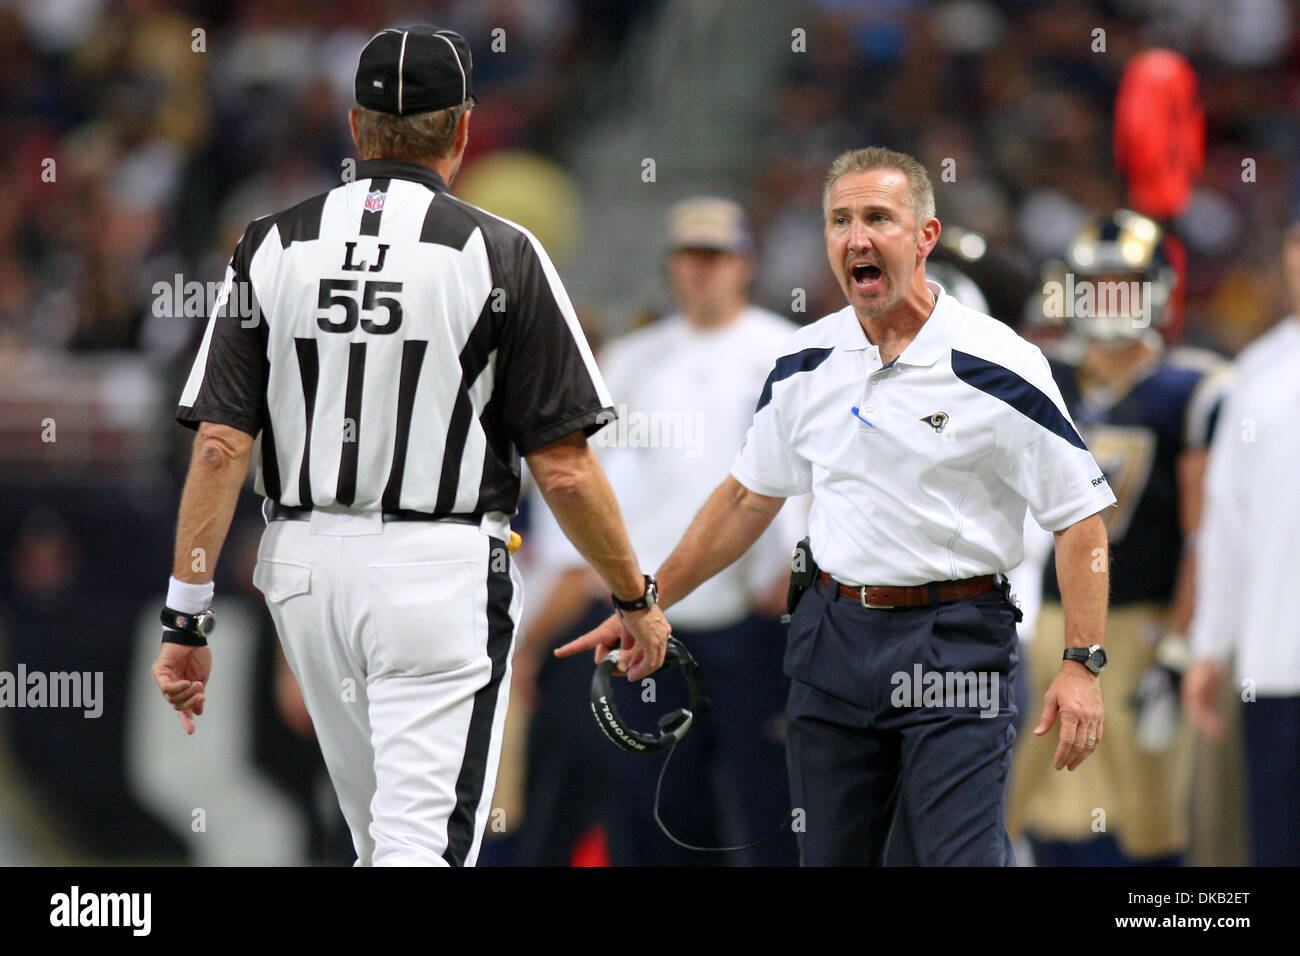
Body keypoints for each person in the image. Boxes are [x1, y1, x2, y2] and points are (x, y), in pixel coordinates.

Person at [150, 25, 670, 867]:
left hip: (304, 568)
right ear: (463, 129)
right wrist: (634, 594)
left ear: (355, 127)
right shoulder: (499, 251)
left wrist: (187, 615)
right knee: (418, 848)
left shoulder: (270, 244)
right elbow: (565, 466)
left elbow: (217, 446)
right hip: (438, 571)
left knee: (381, 844)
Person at [559, 146, 1117, 866]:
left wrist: (1081, 662)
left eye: (879, 218)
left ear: (925, 237)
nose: (857, 237)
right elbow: (743, 499)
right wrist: (649, 599)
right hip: (832, 635)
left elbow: (1080, 517)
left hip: (957, 637)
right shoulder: (802, 362)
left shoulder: (1000, 363)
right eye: (840, 220)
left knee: (957, 859)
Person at [515, 198, 802, 865]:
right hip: (647, 611)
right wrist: (593, 579)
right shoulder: (632, 358)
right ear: (671, 265)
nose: (700, 271)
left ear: (744, 264)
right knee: (651, 807)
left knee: (767, 804)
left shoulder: (783, 349)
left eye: (715, 256)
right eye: (688, 256)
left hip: (750, 611)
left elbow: (808, 471)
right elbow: (594, 473)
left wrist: (796, 559)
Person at [1007, 209, 1230, 866]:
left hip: (1141, 623)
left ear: (1156, 291)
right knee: (1050, 799)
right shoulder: (1045, 376)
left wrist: (1181, 645)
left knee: (1147, 816)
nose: (1108, 300)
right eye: (1095, 284)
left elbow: (1202, 538)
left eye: (1124, 284)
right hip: (1052, 617)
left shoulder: (1193, 388)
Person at [1183, 215, 1300, 867]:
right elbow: (1224, 525)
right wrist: (1209, 645)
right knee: (1279, 847)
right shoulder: (1257, 372)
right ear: (1287, 254)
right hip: (1278, 662)